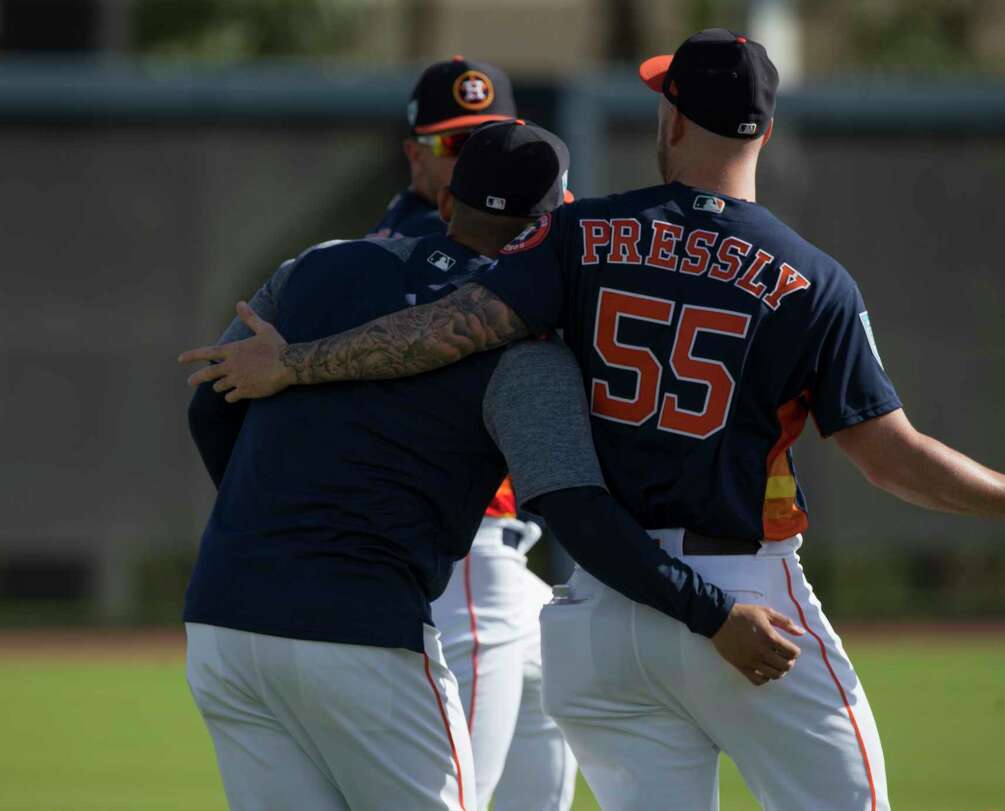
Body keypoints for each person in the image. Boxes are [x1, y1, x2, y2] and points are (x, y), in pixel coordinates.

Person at [180, 30, 1005, 811]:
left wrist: (294, 366)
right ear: (765, 133)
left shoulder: (573, 240)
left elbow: (442, 327)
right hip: (737, 589)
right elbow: (890, 456)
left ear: (670, 118)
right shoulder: (814, 279)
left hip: (590, 616)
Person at [182, 120, 801, 811]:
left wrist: (268, 530)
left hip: (222, 622)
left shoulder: (313, 268)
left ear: (448, 203)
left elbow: (210, 404)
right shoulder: (527, 350)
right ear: (554, 225)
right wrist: (711, 612)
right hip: (360, 629)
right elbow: (577, 513)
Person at [367, 55, 577, 811]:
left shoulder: (505, 235)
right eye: (455, 144)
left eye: (490, 139)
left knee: (541, 772)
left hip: (506, 557)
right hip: (458, 553)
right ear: (415, 155)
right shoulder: (414, 249)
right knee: (455, 795)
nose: (474, 158)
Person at [370, 56, 517, 239]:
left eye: (497, 142)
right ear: (416, 154)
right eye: (459, 144)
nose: (481, 158)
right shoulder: (426, 236)